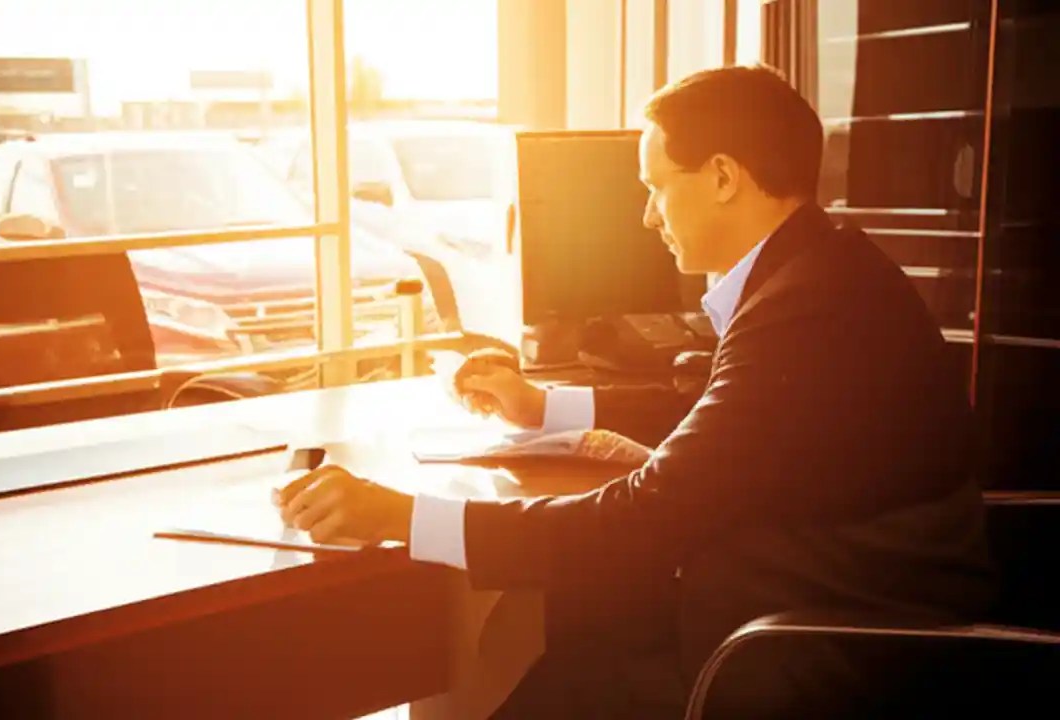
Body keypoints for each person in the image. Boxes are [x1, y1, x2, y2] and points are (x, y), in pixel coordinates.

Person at [274, 65, 995, 717]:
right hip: (813, 605)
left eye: (657, 187)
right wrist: (544, 407)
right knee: (570, 637)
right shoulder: (823, 268)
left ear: (722, 177)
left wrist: (402, 515)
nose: (649, 215)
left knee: (559, 663)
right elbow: (721, 406)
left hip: (807, 652)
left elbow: (644, 517)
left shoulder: (804, 308)